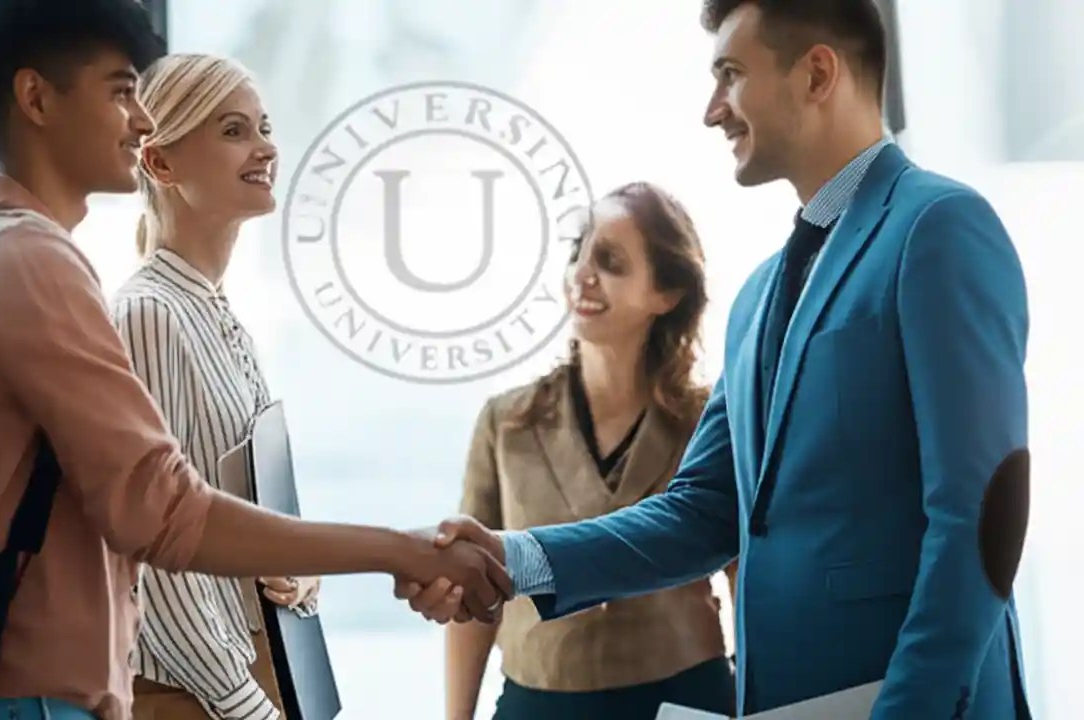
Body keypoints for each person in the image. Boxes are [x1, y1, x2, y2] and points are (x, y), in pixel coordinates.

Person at [403, 1, 1033, 718]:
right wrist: (512, 559)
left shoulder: (938, 228)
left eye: (730, 75)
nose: (713, 111)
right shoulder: (760, 295)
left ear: (817, 74)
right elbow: (701, 513)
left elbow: (980, 520)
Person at [0, 2, 509, 719]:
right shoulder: (47, 267)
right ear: (36, 98)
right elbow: (161, 520)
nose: (137, 122)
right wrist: (401, 552)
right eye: (118, 91)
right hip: (52, 697)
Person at [442, 183, 737, 719]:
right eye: (578, 251)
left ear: (666, 295)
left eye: (611, 262)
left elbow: (749, 580)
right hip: (538, 702)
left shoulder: (709, 422)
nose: (581, 273)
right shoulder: (505, 423)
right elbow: (471, 593)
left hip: (685, 698)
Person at [111, 54, 315, 720]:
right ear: (160, 164)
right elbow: (155, 551)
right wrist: (246, 706)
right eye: (234, 131)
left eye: (262, 126)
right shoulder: (150, 315)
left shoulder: (215, 311)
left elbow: (238, 506)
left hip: (253, 666)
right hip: (195, 693)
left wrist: (299, 569)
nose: (266, 146)